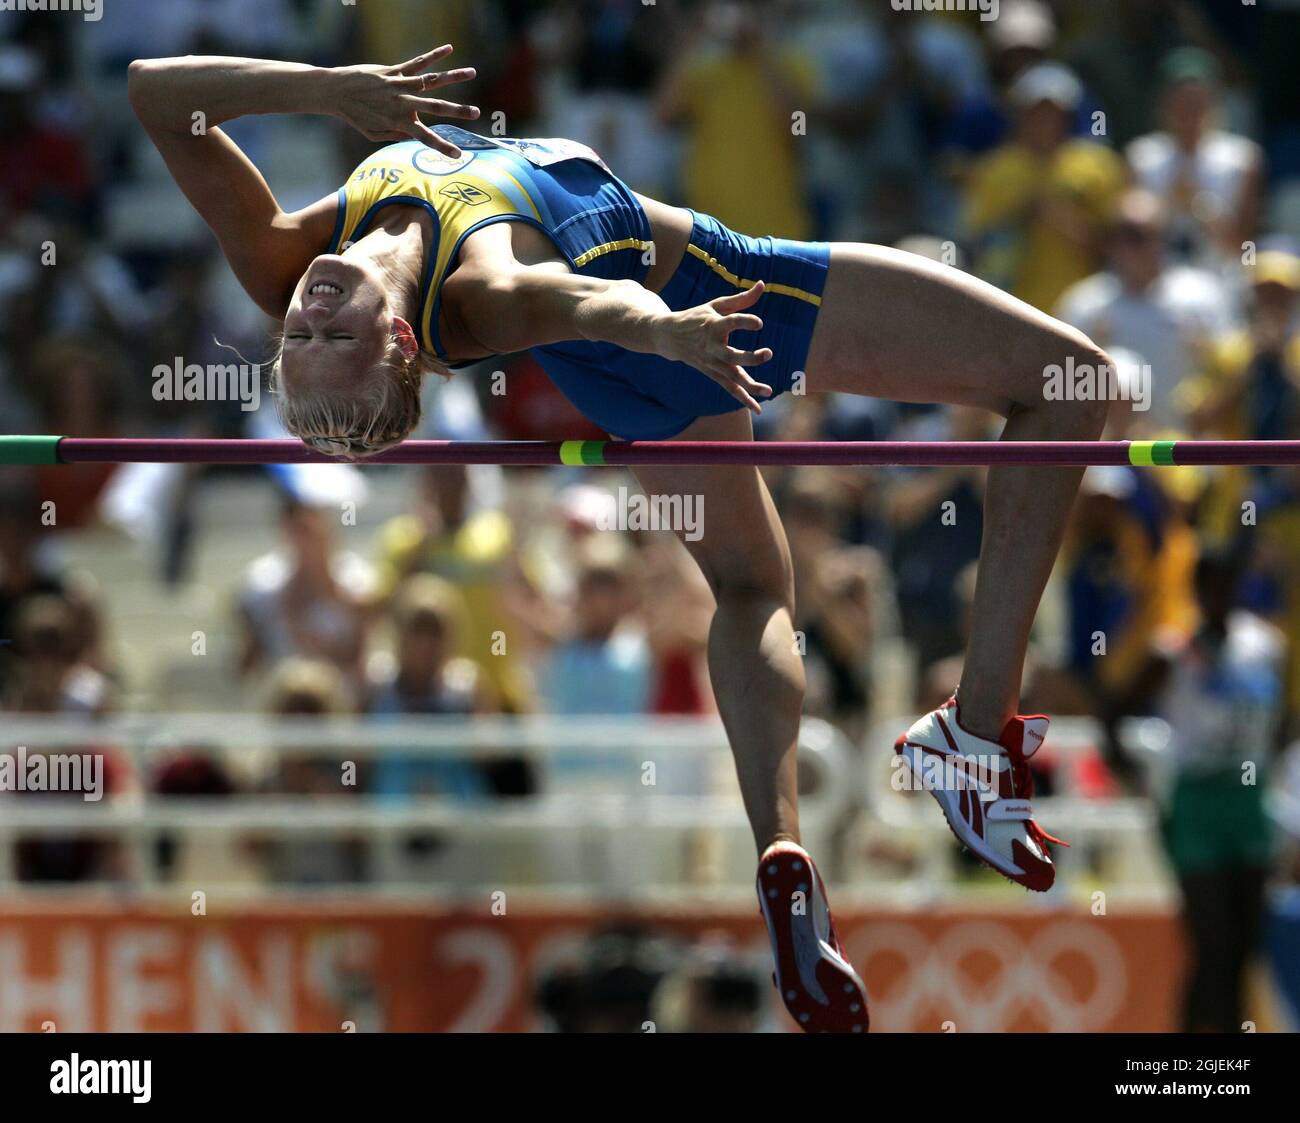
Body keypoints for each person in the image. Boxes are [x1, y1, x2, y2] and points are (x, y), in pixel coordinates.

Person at [129, 43, 1116, 1032]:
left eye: (298, 340)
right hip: (707, 304)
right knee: (1073, 385)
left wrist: (325, 92)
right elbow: (574, 300)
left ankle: (779, 846)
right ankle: (975, 732)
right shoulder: (479, 287)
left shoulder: (285, 258)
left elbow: (156, 93)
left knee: (747, 586)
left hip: (628, 369)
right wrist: (668, 329)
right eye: (332, 340)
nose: (309, 316)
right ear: (396, 342)